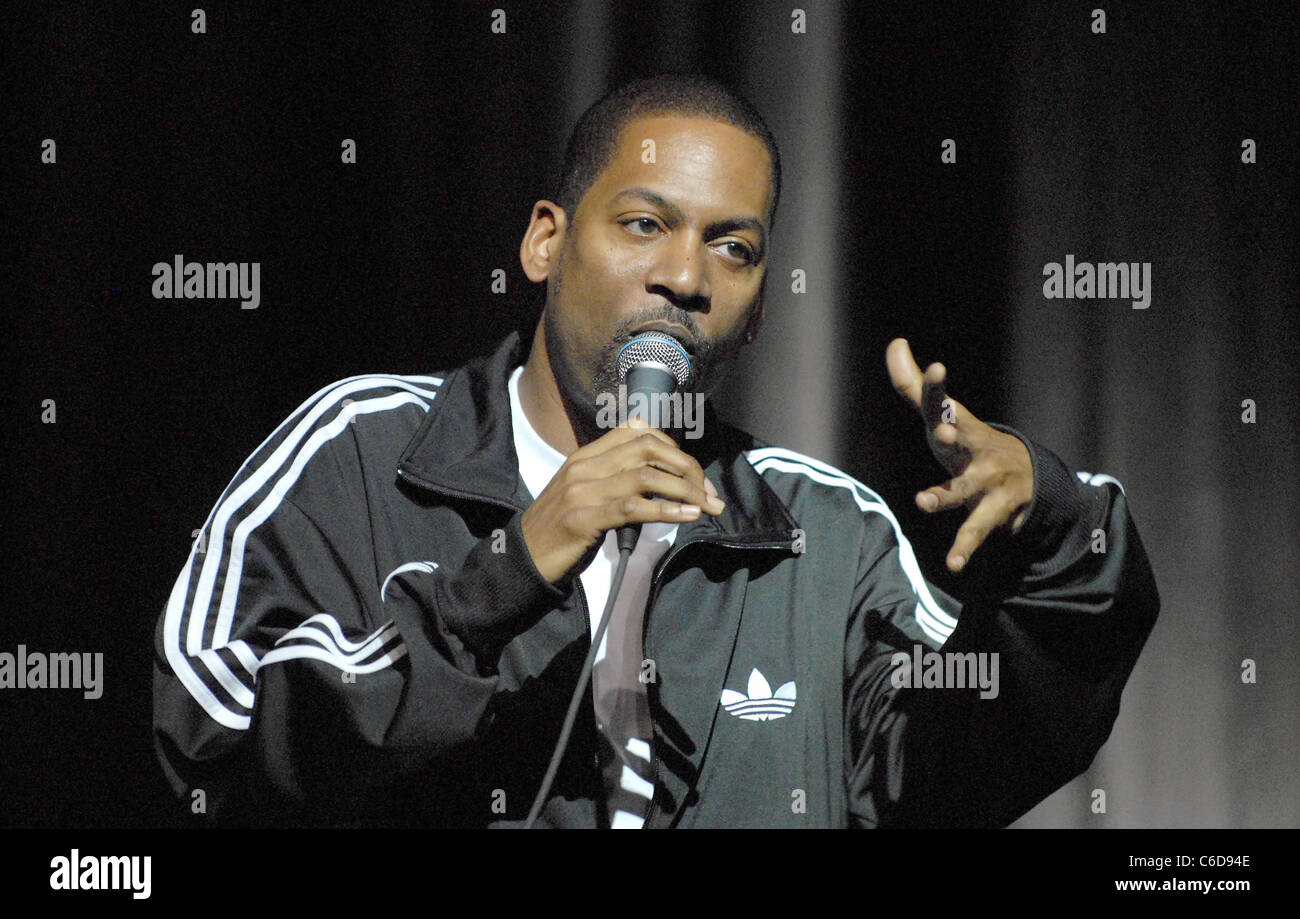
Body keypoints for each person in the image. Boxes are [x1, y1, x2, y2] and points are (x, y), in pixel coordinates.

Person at [152, 74, 1159, 828]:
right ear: (545, 243)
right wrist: (498, 581)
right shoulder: (362, 453)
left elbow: (964, 764)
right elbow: (206, 741)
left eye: (734, 248)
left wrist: (1065, 531)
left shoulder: (825, 536)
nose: (684, 274)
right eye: (643, 224)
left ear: (759, 308)